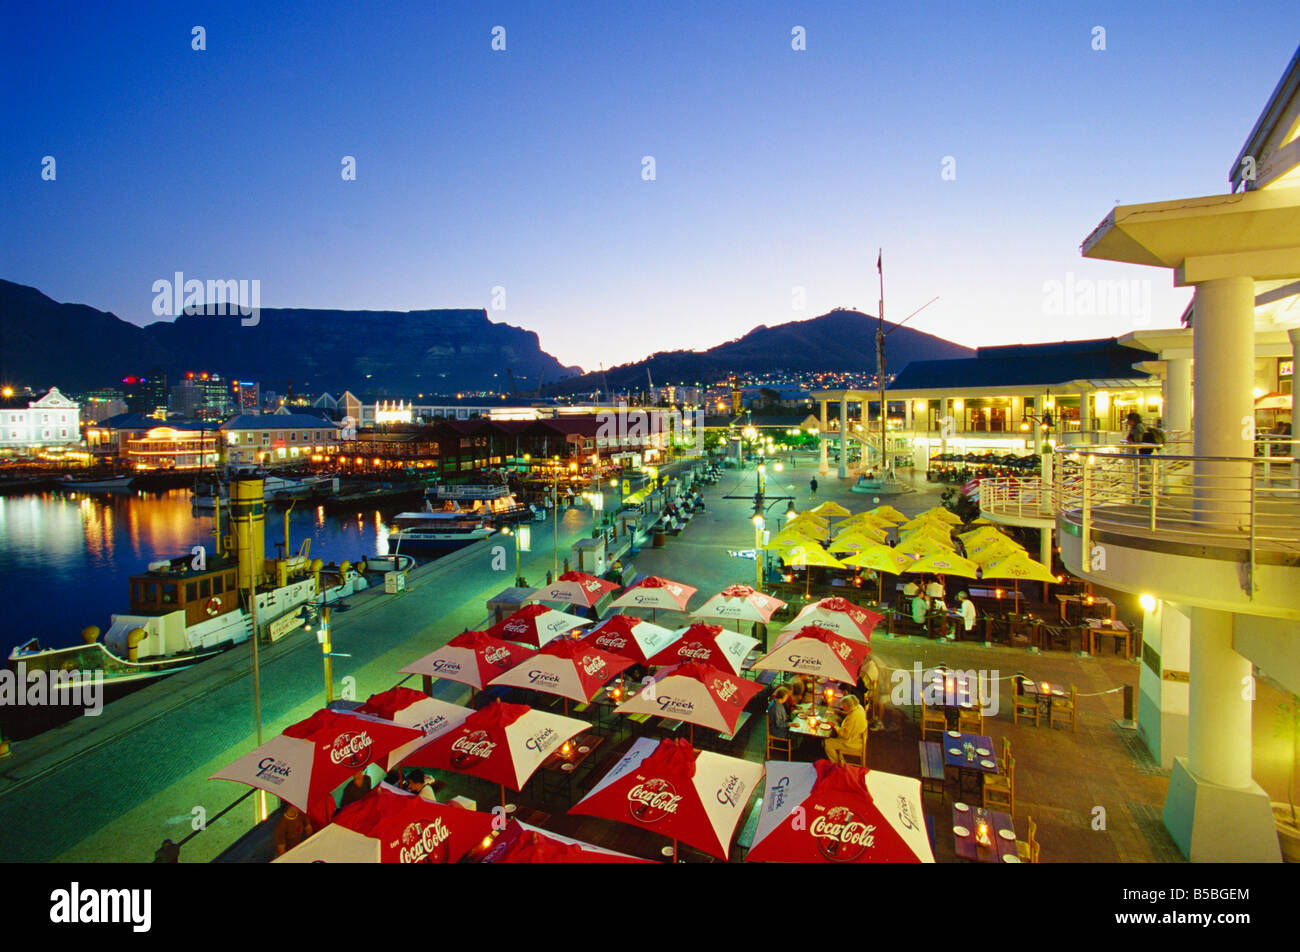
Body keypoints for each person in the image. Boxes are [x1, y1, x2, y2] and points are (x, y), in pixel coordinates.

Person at [824, 695, 867, 764]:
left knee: (827, 743)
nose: (842, 708)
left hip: (852, 742)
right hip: (858, 738)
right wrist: (840, 712)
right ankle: (839, 760)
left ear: (849, 707)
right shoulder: (859, 707)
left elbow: (844, 735)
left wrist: (834, 726)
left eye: (844, 707)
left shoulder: (852, 718)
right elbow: (850, 712)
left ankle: (837, 763)